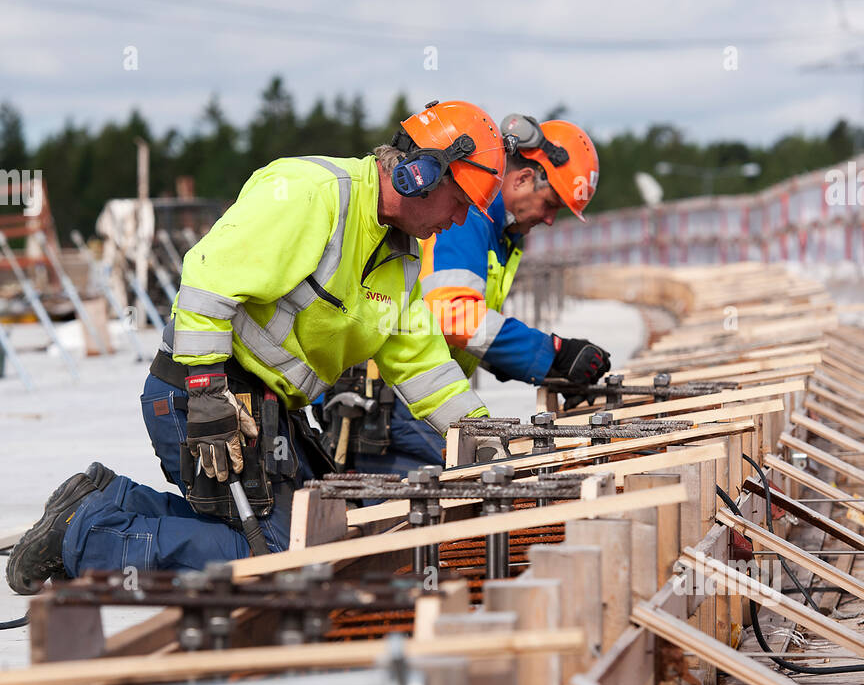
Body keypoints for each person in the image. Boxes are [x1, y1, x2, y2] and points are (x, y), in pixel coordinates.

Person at [7, 100, 506, 591]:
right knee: (283, 562)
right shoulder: (312, 194)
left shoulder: (399, 255)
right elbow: (208, 279)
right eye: (461, 202)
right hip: (205, 394)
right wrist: (206, 394)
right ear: (419, 175)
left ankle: (111, 505)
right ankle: (87, 534)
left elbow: (420, 360)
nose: (460, 221)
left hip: (266, 410)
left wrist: (480, 433)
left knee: (326, 533)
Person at [351, 114, 610, 475]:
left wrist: (548, 371)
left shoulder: (500, 233)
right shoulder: (468, 215)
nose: (550, 219)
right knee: (484, 485)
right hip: (401, 397)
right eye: (551, 204)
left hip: (417, 394)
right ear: (523, 178)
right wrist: (552, 354)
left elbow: (463, 334)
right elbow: (453, 315)